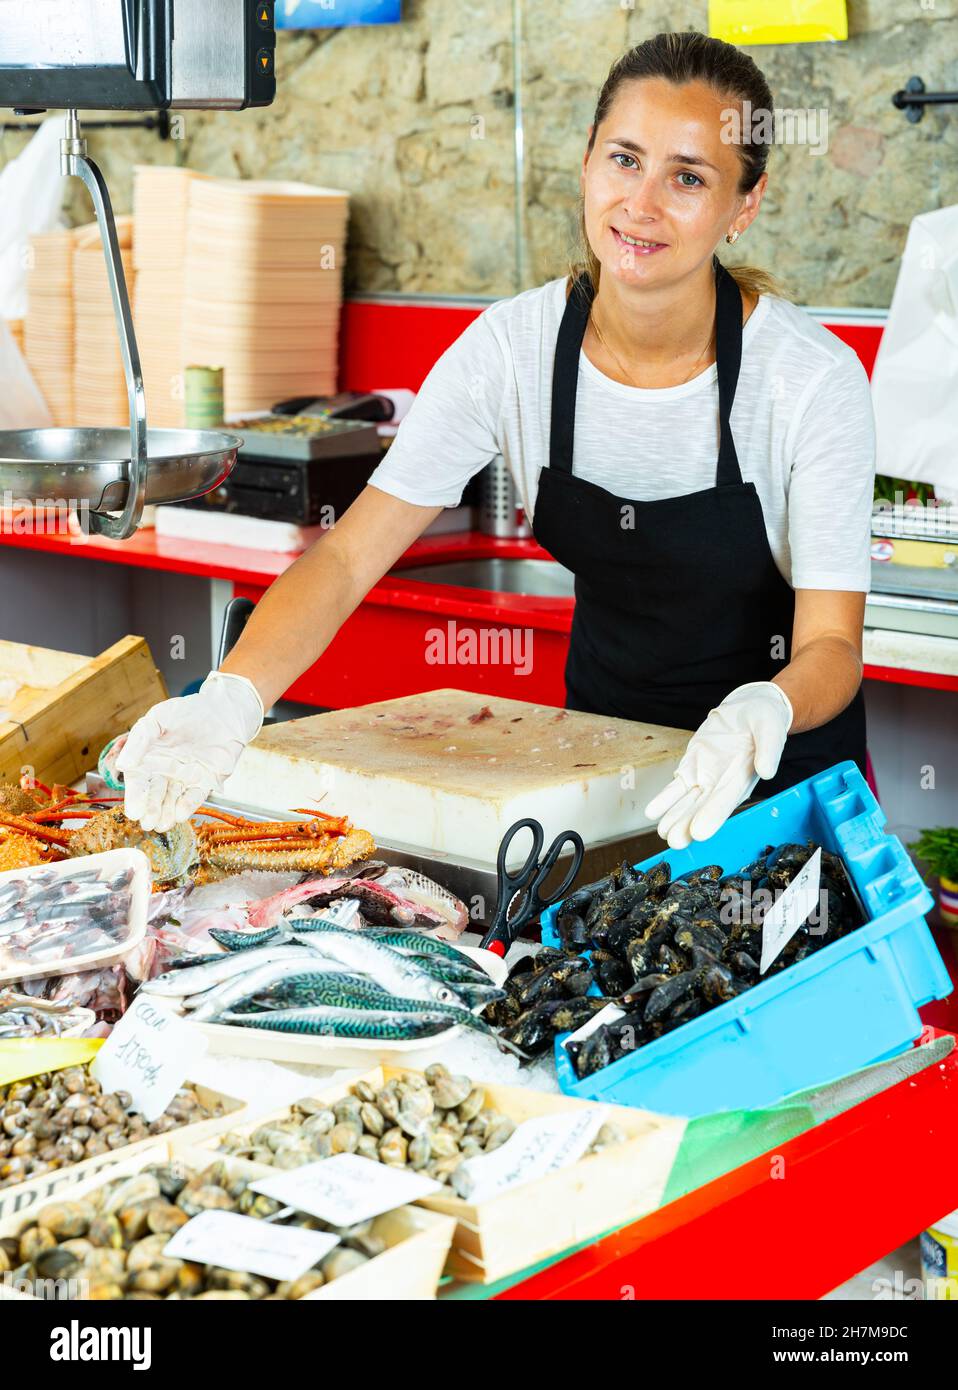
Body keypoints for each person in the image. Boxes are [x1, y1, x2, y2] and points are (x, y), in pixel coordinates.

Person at [117, 31, 875, 851]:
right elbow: (344, 560)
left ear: (744, 208)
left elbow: (832, 644)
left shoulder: (810, 380)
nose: (642, 204)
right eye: (624, 159)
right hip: (601, 772)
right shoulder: (509, 353)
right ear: (587, 161)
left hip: (782, 781)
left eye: (688, 178)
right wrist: (234, 696)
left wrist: (766, 708)